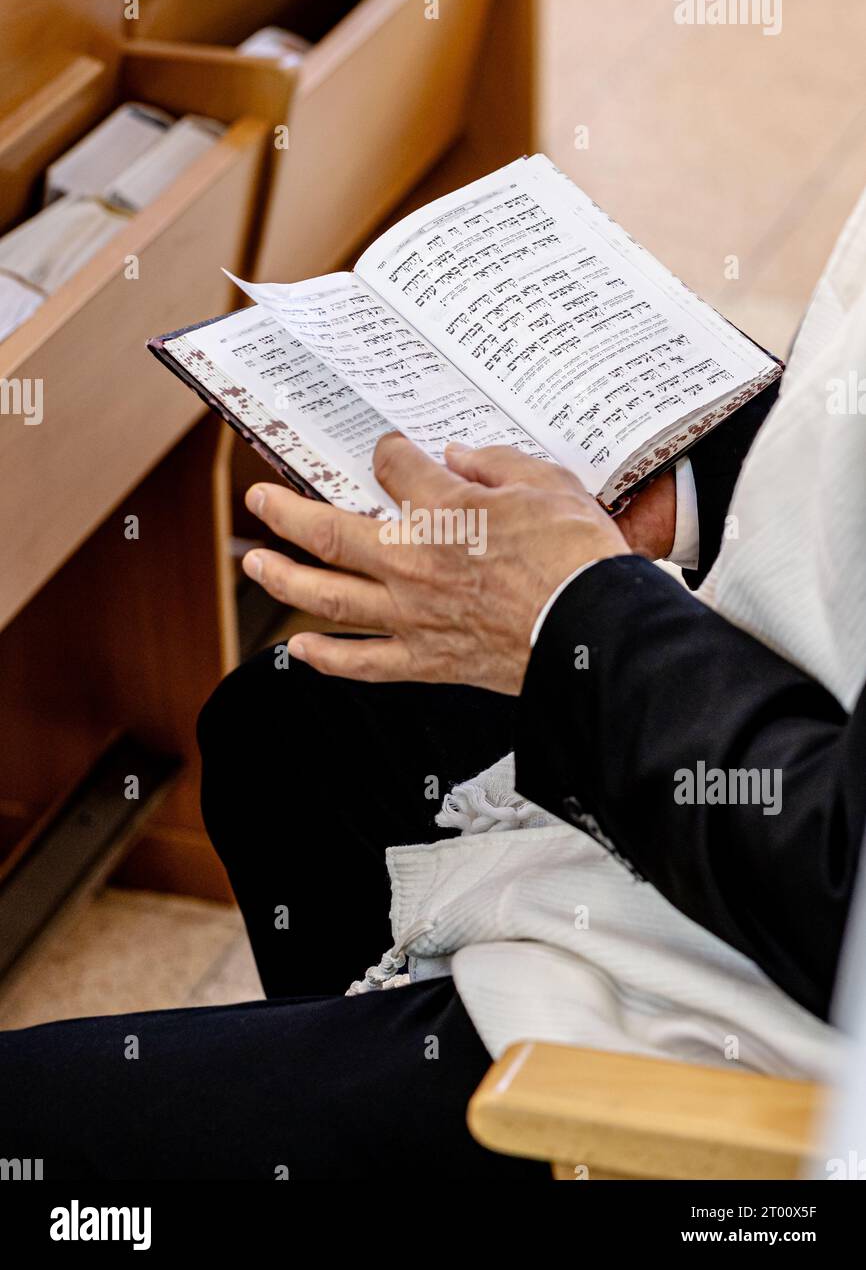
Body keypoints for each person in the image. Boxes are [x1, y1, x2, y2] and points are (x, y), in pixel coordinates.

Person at [2, 190, 865, 1178]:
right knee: (289, 724)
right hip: (796, 764)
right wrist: (701, 466)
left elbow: (835, 882)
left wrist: (568, 610)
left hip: (761, 1044)